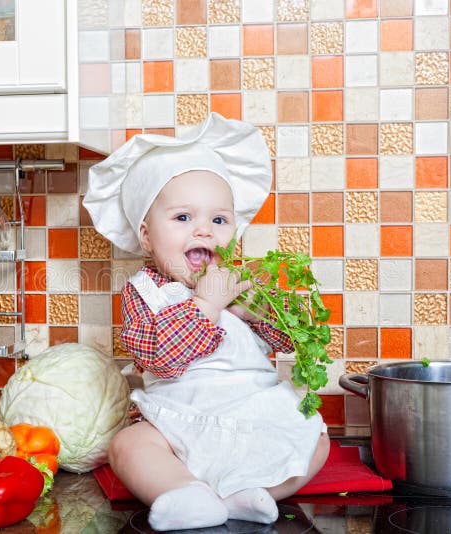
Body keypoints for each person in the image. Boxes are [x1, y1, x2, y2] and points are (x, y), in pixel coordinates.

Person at [83, 113, 330, 531]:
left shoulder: (239, 282)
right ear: (146, 234)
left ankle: (249, 495)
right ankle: (185, 493)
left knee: (316, 438)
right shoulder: (143, 292)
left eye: (219, 220)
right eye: (182, 218)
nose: (204, 230)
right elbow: (161, 359)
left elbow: (288, 341)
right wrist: (206, 304)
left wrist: (257, 312)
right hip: (176, 423)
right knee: (127, 446)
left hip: (254, 414)